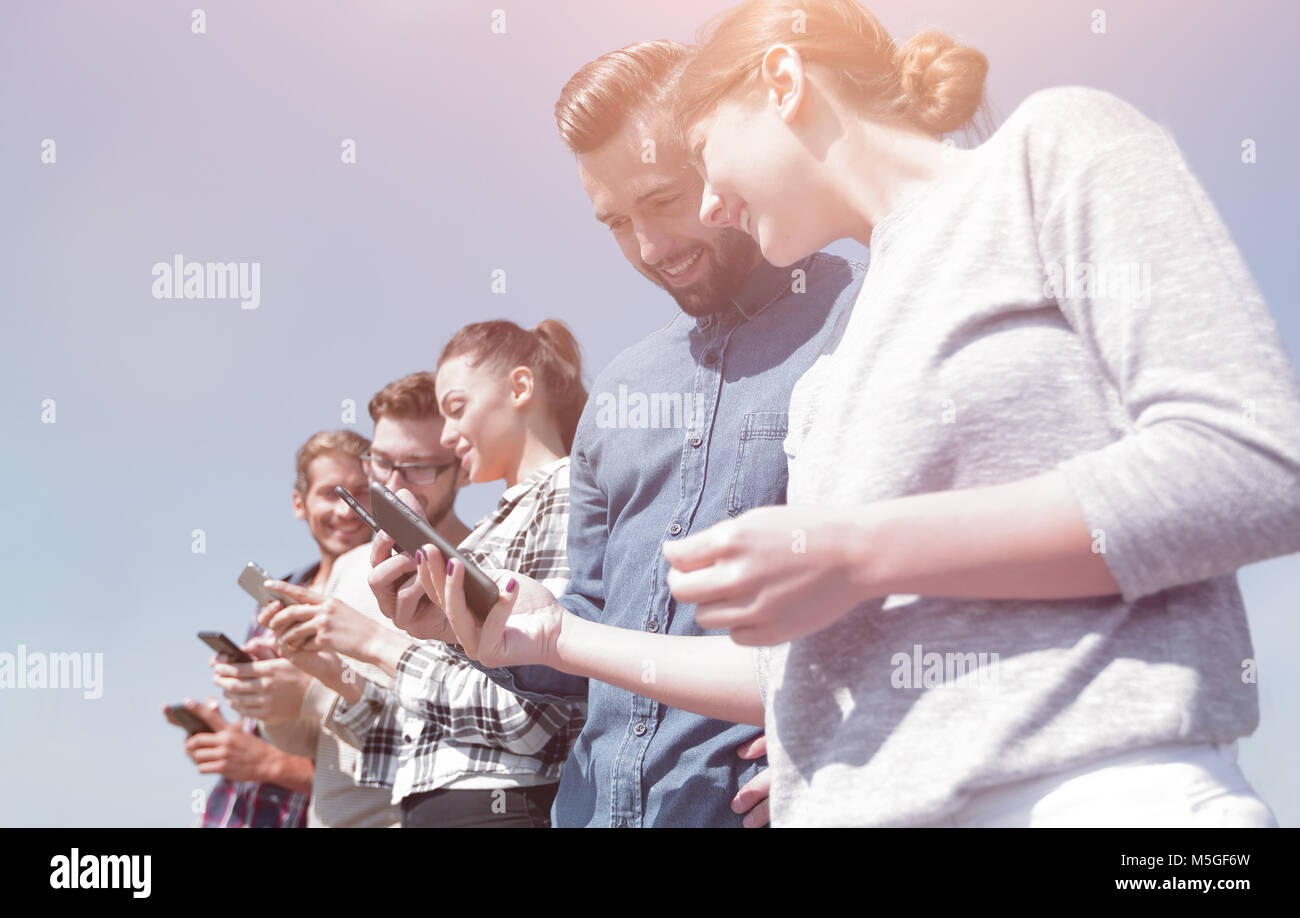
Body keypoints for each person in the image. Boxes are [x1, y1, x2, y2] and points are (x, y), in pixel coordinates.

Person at [438, 0, 1300, 827]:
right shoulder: (839, 365)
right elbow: (787, 670)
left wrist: (856, 552)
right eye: (622, 219)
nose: (701, 212)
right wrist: (550, 637)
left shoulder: (1051, 150)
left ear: (782, 81)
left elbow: (1256, 463)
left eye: (701, 160)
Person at [403, 40, 867, 828]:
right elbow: (583, 630)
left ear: (724, 156)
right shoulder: (617, 390)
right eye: (617, 221)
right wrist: (475, 627)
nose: (650, 250)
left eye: (663, 200)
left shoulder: (860, 324)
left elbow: (898, 604)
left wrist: (841, 741)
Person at [259, 364, 583, 827]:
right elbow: (413, 741)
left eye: (420, 468)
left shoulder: (491, 567)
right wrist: (329, 676)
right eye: (381, 463)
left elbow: (531, 725)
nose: (394, 484)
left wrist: (375, 643)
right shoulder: (351, 569)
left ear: (462, 465)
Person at [166, 429, 372, 827]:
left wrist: (270, 763)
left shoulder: (385, 605)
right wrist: (229, 737)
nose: (347, 511)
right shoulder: (278, 590)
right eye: (332, 493)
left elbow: (392, 764)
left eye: (360, 494)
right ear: (300, 502)